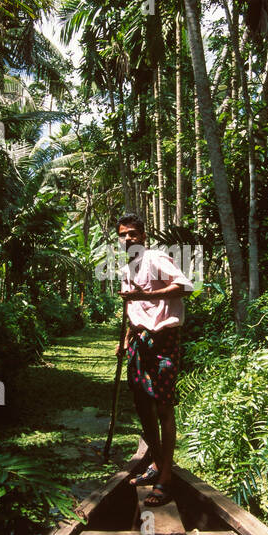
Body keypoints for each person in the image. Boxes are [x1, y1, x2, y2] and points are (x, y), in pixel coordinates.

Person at [116, 212, 193, 506]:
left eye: (132, 234)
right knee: (141, 404)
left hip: (163, 340)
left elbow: (186, 286)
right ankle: (159, 463)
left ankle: (165, 479)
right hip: (138, 341)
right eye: (123, 235)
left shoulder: (156, 259)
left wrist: (148, 294)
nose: (127, 239)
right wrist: (125, 340)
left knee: (163, 406)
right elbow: (131, 309)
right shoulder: (127, 269)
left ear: (143, 236)